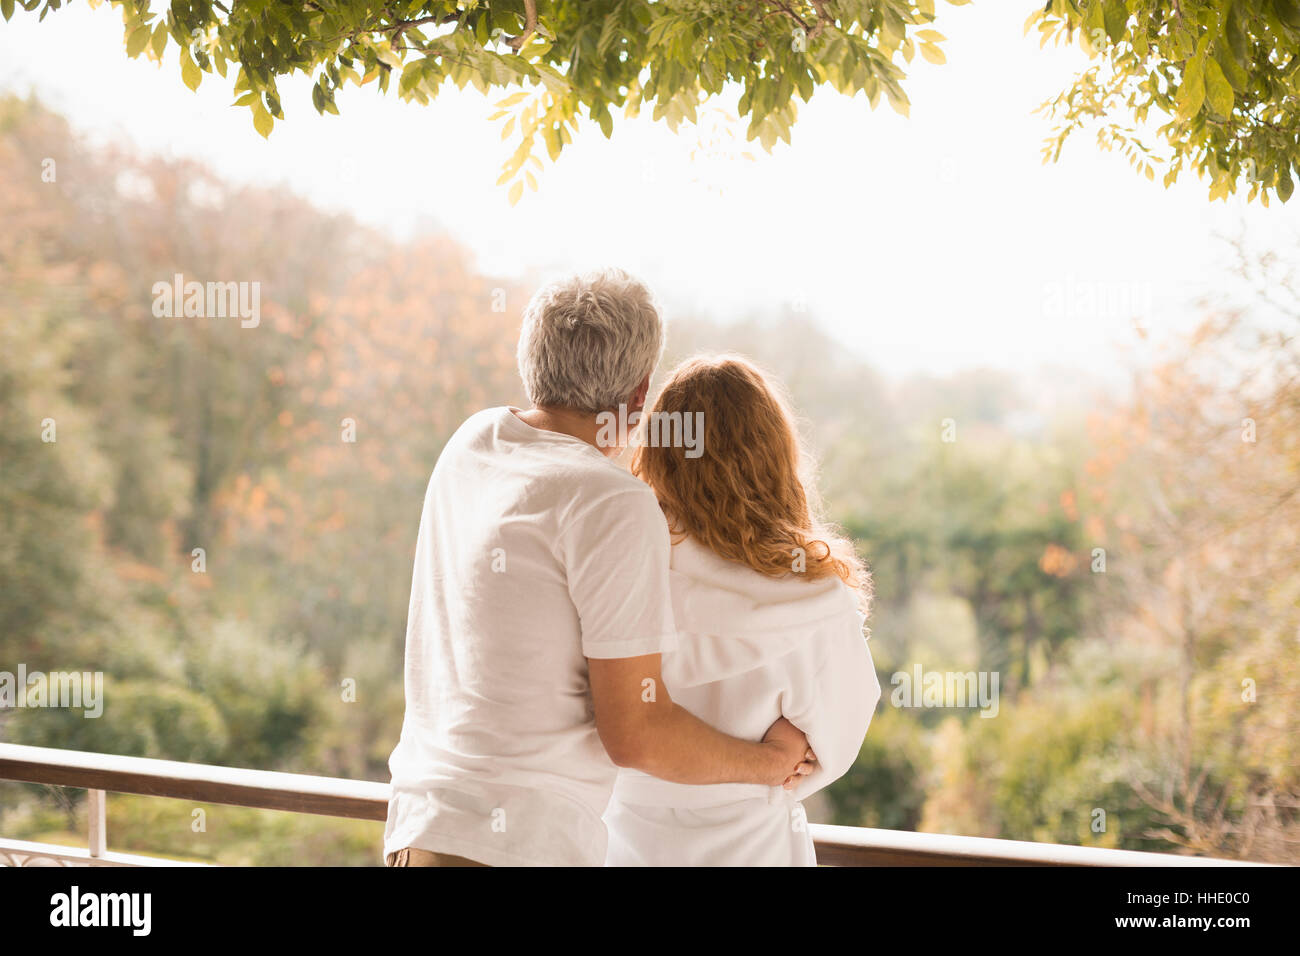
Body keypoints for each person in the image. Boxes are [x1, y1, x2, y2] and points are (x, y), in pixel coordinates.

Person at [383, 271, 816, 867]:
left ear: (531, 359)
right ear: (640, 396)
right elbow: (636, 733)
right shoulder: (608, 500)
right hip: (516, 849)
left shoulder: (472, 443)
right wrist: (770, 764)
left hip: (419, 832)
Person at [603, 355, 880, 866]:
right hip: (755, 849)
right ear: (773, 457)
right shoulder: (815, 599)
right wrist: (795, 742)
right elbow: (837, 739)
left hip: (625, 845)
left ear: (658, 453)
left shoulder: (618, 570)